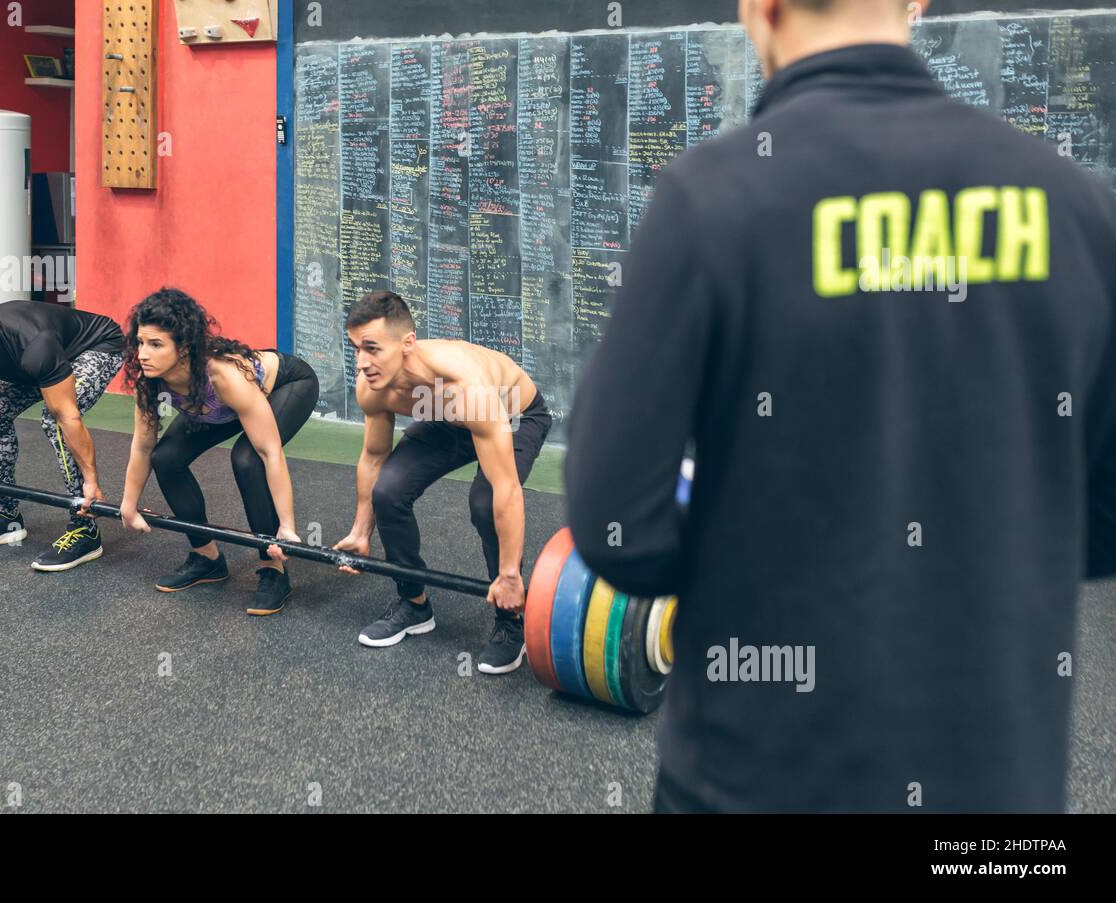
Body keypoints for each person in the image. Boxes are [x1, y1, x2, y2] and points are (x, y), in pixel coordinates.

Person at [565, 0, 1116, 812]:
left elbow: (619, 523)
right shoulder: (1072, 205)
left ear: (760, 6)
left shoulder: (711, 200)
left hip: (753, 780)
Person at [333, 290, 552, 674]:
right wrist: (360, 530)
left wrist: (510, 576)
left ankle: (510, 619)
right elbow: (373, 457)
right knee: (388, 491)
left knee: (485, 502)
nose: (362, 362)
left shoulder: (465, 384)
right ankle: (413, 603)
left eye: (372, 348)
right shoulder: (373, 386)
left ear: (407, 344)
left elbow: (507, 490)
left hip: (513, 414)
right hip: (444, 415)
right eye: (355, 349)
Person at [117, 287, 319, 615]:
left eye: (155, 344)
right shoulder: (151, 378)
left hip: (286, 385)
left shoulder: (223, 375)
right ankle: (206, 557)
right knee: (166, 458)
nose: (142, 353)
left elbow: (270, 452)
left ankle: (273, 567)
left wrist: (287, 526)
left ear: (183, 349)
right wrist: (128, 505)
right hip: (216, 406)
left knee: (247, 458)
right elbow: (143, 445)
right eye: (140, 342)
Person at [0, 287, 124, 571]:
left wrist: (91, 481)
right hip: (38, 362)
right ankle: (5, 514)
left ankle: (85, 528)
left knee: (53, 419)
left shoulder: (32, 344)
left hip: (94, 347)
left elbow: (67, 416)